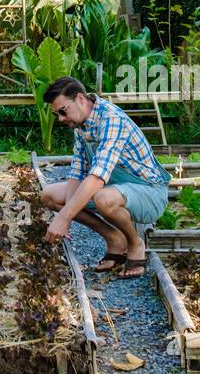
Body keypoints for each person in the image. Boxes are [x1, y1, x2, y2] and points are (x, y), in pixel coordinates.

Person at [39, 75, 170, 279]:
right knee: (50, 195)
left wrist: (64, 217)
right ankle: (115, 239)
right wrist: (67, 213)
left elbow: (98, 177)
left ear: (81, 99)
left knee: (103, 198)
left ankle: (135, 243)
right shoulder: (81, 126)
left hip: (149, 192)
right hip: (115, 189)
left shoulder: (111, 119)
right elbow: (78, 171)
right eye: (57, 115)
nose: (61, 119)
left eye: (63, 111)